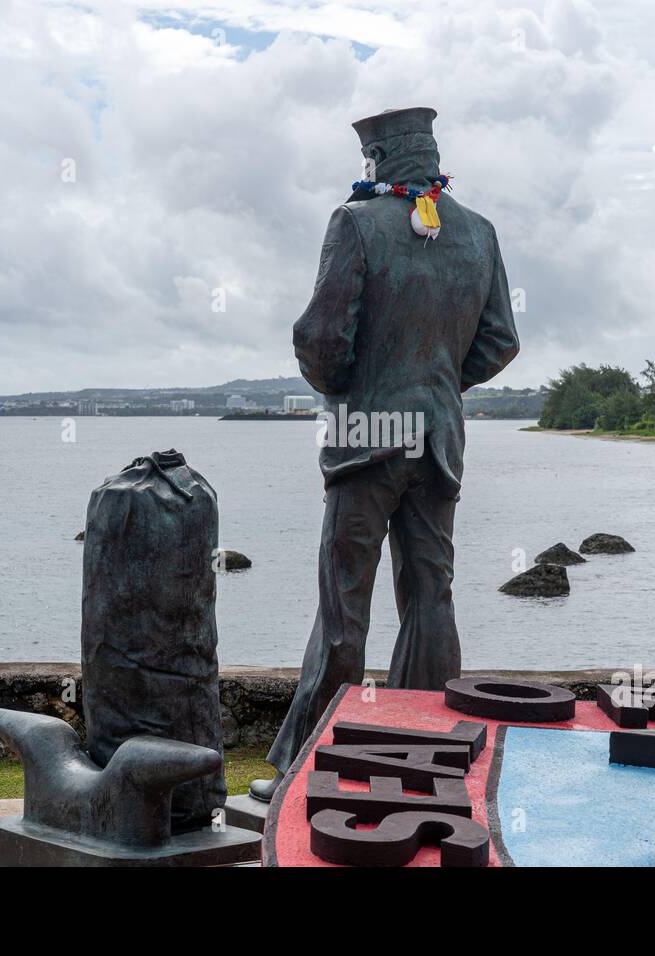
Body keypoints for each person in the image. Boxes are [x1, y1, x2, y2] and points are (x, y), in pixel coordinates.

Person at [250, 106, 519, 801]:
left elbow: (320, 338)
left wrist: (354, 389)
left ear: (379, 160)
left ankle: (305, 762)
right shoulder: (478, 232)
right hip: (439, 441)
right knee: (432, 594)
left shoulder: (357, 222)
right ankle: (425, 755)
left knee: (345, 603)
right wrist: (436, 382)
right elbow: (499, 342)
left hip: (368, 439)